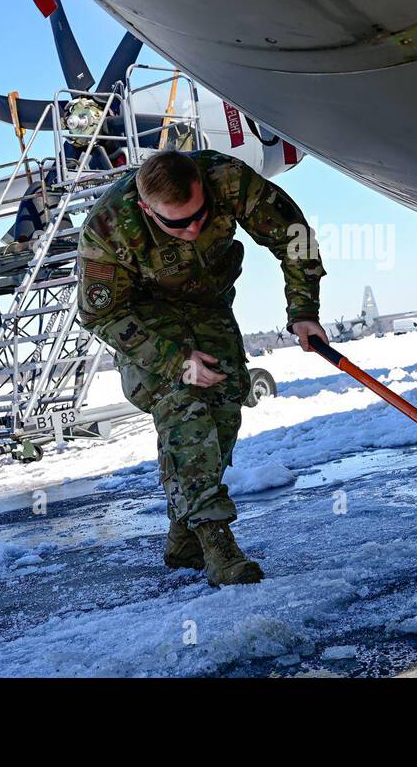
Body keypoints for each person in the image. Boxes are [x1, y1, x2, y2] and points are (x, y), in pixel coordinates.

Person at [77, 149, 327, 585]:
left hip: (208, 303)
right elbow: (101, 315)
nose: (192, 228)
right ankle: (217, 542)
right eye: (176, 223)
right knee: (184, 400)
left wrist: (304, 310)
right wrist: (175, 360)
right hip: (144, 314)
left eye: (200, 215)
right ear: (145, 208)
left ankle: (183, 533)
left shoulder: (226, 179)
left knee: (227, 398)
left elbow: (294, 236)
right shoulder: (108, 228)